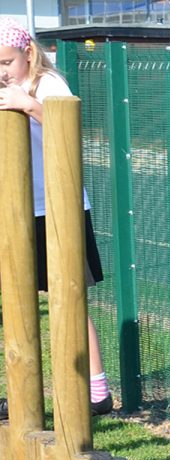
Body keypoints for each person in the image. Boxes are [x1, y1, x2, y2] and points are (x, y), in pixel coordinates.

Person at [0, 22, 112, 422]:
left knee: (69, 298)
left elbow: (68, 128)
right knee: (15, 301)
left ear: (28, 52)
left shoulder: (49, 85)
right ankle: (21, 392)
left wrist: (26, 104)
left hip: (57, 209)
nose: (2, 72)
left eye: (6, 62)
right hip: (14, 212)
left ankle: (97, 391)